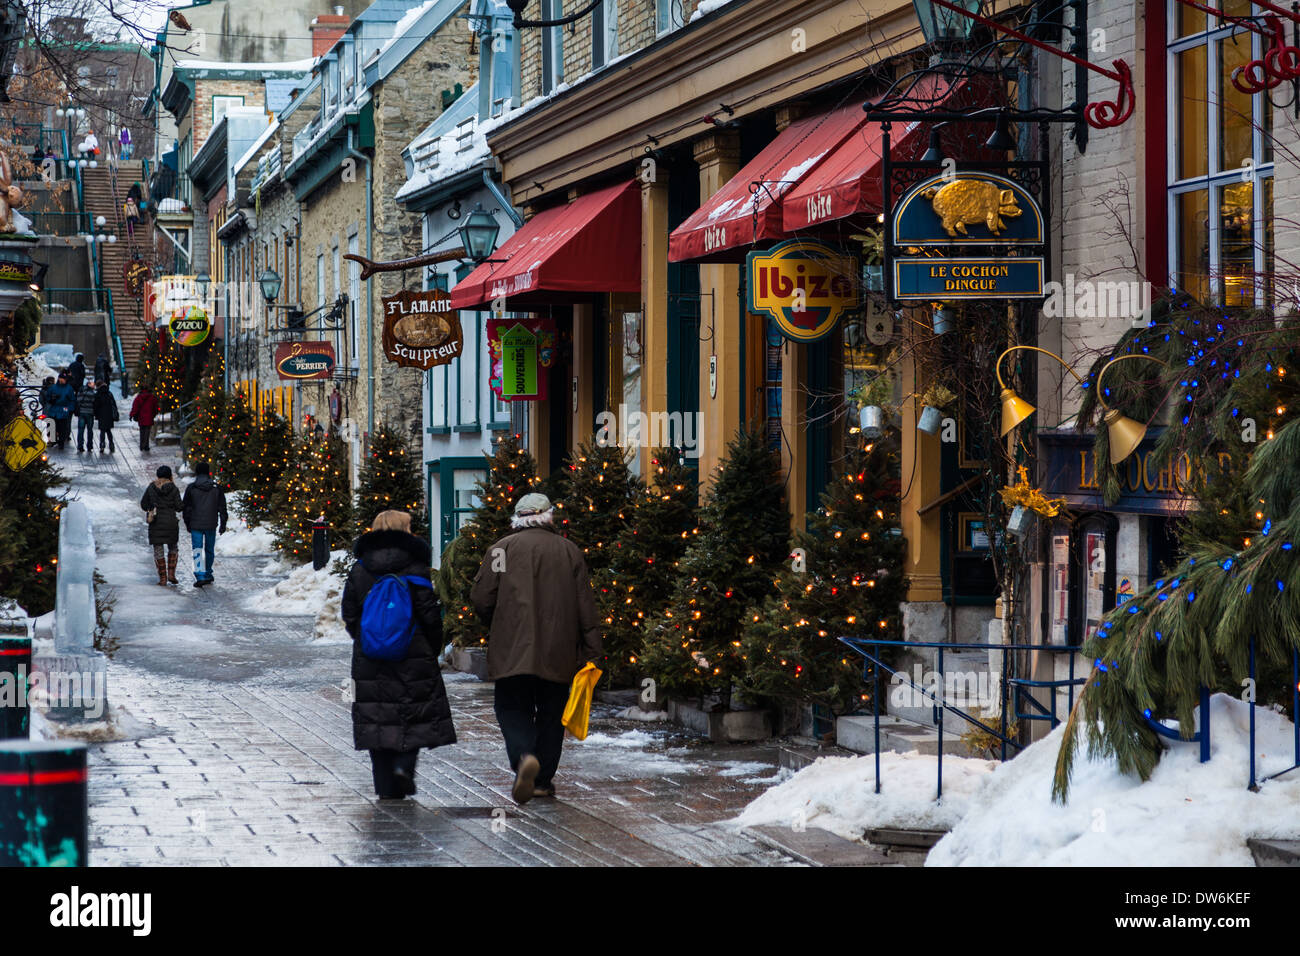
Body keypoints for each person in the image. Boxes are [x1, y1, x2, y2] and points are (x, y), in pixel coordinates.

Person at [470, 492, 602, 805]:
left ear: (518, 518)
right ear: (548, 516)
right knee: (551, 712)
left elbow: (481, 598)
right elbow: (586, 605)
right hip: (558, 651)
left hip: (511, 649)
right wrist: (593, 650)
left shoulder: (501, 549)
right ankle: (542, 781)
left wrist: (498, 622)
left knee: (511, 707)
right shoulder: (568, 551)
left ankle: (524, 757)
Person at [341, 510, 457, 801]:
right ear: (405, 530)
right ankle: (404, 767)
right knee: (413, 713)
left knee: (376, 719)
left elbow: (350, 613)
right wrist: (430, 647)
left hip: (370, 658)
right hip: (413, 652)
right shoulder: (416, 568)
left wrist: (368, 639)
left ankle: (384, 788)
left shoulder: (360, 568)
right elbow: (430, 615)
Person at [181, 462, 227, 588]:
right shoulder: (216, 488)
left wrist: (187, 522)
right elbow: (222, 507)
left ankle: (200, 574)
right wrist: (223, 523)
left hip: (196, 523)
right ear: (208, 472)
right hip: (211, 523)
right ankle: (208, 573)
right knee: (209, 550)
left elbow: (186, 507)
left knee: (197, 549)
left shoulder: (192, 488)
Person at [141, 466, 182, 586]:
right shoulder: (173, 488)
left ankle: (163, 578)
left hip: (156, 522)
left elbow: (143, 504)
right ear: (170, 476)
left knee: (158, 550)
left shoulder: (151, 487)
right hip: (170, 522)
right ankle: (171, 574)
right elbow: (179, 507)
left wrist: (151, 507)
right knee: (173, 547)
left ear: (158, 475)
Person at [45, 373, 75, 450]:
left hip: (63, 410)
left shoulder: (69, 388)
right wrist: (51, 399)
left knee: (62, 428)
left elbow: (72, 400)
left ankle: (61, 442)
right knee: (52, 425)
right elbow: (47, 397)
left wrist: (69, 409)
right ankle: (52, 440)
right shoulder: (53, 388)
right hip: (54, 409)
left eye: (64, 379)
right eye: (62, 379)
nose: (63, 380)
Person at [129, 384, 159, 452]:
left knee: (142, 431)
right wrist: (154, 413)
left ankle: (142, 445)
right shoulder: (152, 397)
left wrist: (132, 415)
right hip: (149, 417)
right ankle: (146, 445)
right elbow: (156, 407)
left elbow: (135, 407)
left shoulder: (138, 397)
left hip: (141, 417)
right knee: (147, 431)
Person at [92, 379, 118, 453]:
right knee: (108, 431)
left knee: (102, 431)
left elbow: (95, 406)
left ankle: (102, 445)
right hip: (109, 415)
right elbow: (113, 404)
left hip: (101, 415)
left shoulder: (97, 394)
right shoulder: (109, 393)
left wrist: (96, 415)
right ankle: (111, 444)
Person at [75, 377, 97, 453]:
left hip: (81, 413)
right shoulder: (92, 394)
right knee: (90, 430)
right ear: (89, 384)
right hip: (90, 413)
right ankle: (89, 446)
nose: (94, 386)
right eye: (93, 384)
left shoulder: (80, 392)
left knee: (81, 430)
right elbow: (94, 403)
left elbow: (77, 401)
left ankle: (80, 446)